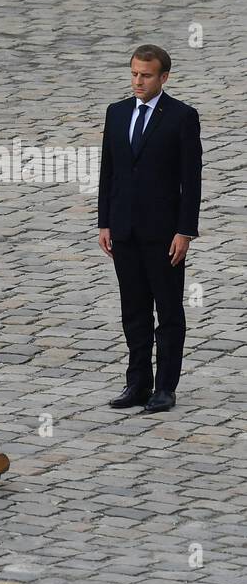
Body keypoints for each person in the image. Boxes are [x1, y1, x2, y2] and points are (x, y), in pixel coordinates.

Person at [98, 44, 202, 414]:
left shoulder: (182, 117)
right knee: (134, 311)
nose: (138, 81)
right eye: (134, 74)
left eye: (145, 75)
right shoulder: (117, 112)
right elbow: (108, 171)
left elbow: (191, 180)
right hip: (124, 230)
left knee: (169, 313)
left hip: (163, 234)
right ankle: (137, 383)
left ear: (163, 77)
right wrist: (105, 221)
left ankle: (165, 388)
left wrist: (184, 231)